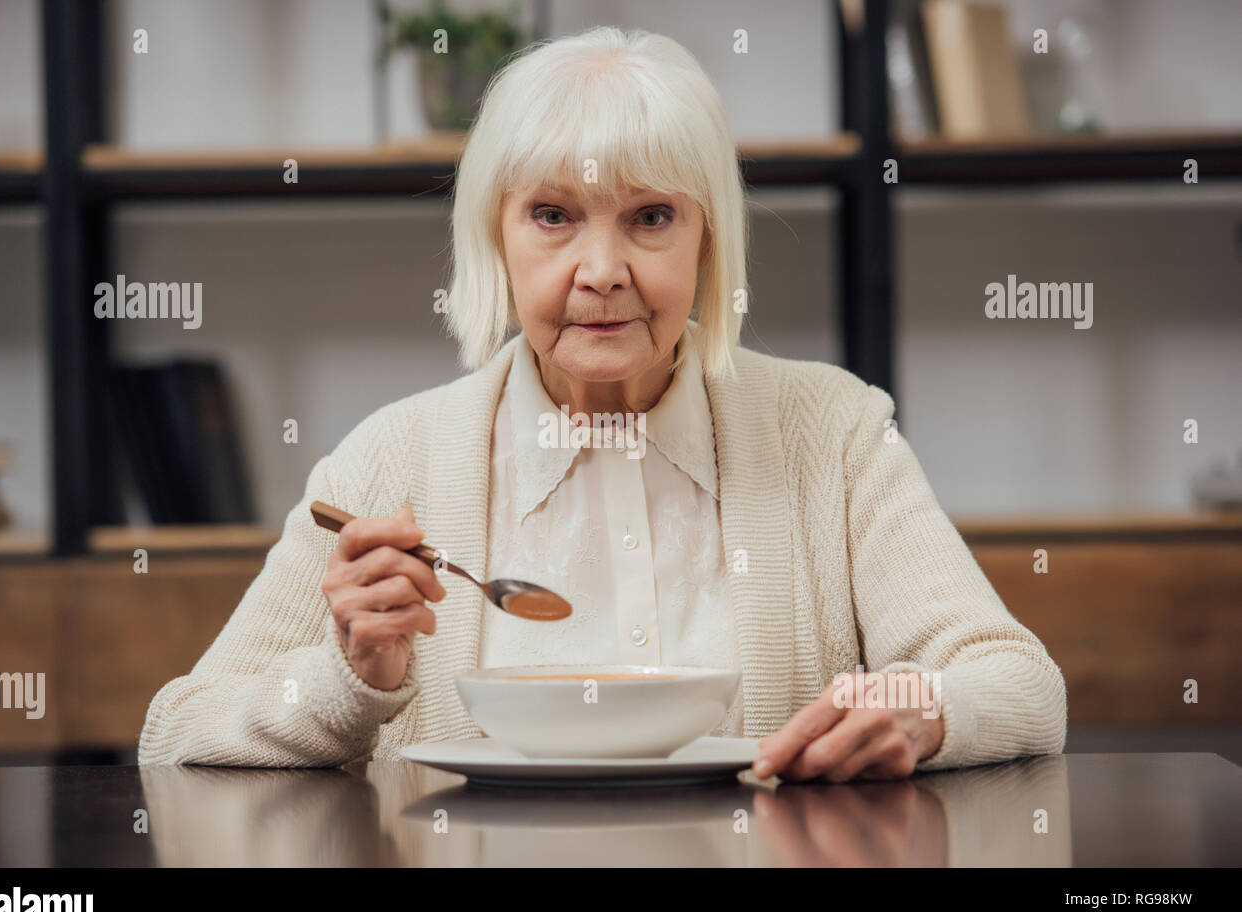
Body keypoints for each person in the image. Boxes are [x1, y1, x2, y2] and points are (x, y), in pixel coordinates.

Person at [138, 26, 1067, 778]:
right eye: (553, 216)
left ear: (706, 244)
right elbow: (176, 728)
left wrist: (917, 710)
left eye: (651, 217)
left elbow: (1018, 679)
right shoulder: (387, 463)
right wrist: (348, 682)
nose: (602, 271)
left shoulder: (833, 433)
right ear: (495, 241)